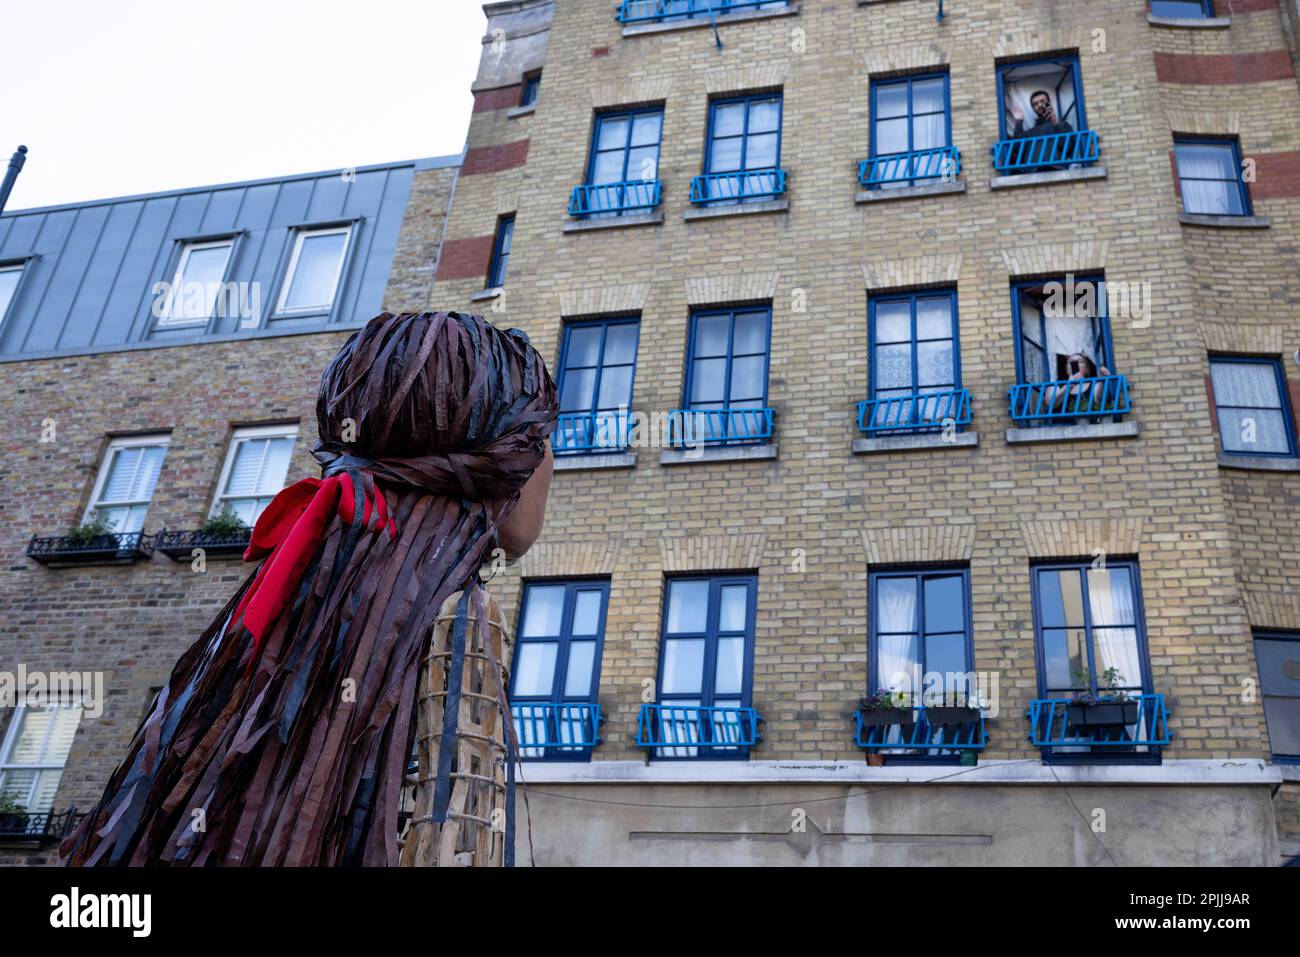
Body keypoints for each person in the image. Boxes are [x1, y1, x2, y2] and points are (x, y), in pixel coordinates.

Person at [60, 311, 558, 866]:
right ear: (504, 461)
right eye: (544, 442)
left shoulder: (286, 602)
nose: (552, 466)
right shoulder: (461, 618)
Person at [1007, 90, 1074, 171]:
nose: (1039, 105)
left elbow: (1068, 147)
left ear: (1049, 102)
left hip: (1056, 170)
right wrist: (1019, 121)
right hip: (1033, 173)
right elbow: (1018, 147)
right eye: (1035, 104)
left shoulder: (1063, 125)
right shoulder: (1030, 132)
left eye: (1042, 101)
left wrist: (1055, 125)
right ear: (1033, 108)